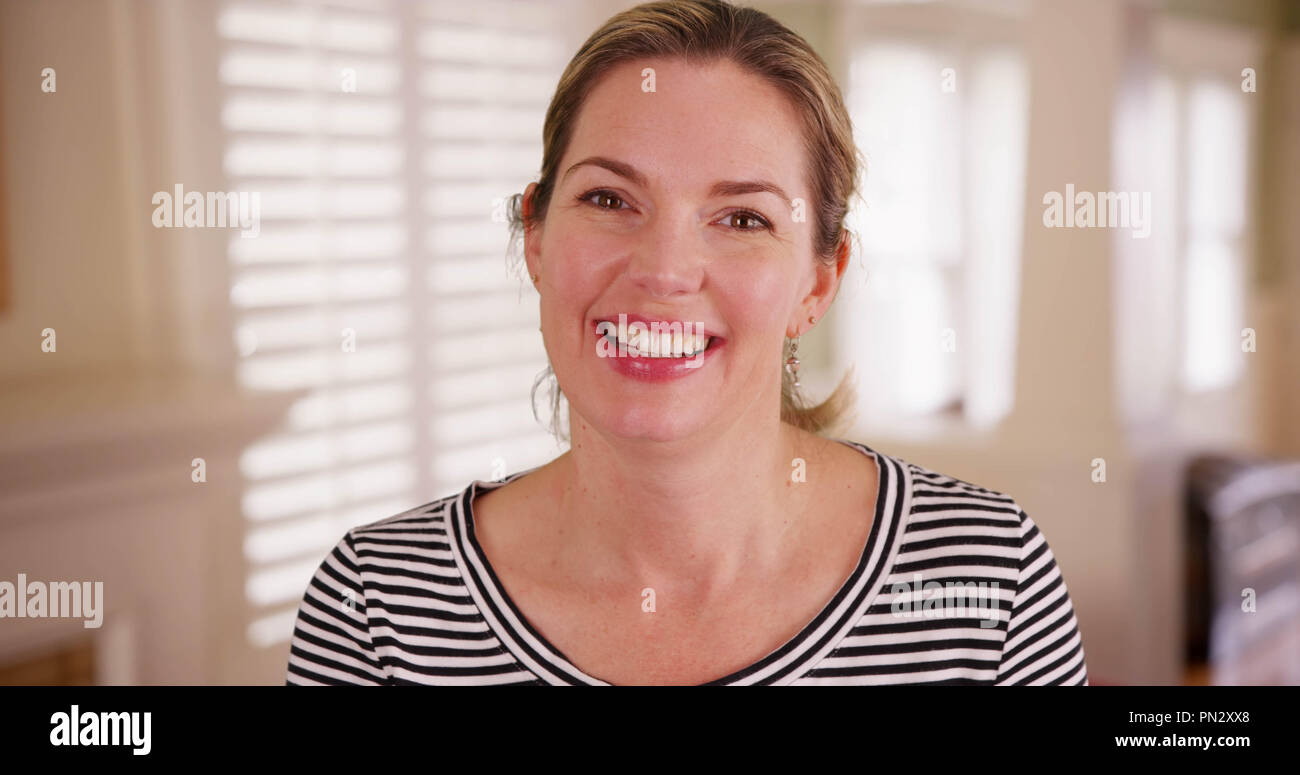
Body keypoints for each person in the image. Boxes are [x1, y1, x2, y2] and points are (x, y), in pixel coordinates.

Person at [286, 0, 1087, 686]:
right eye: (609, 197)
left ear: (818, 282)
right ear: (535, 236)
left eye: (743, 218)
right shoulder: (376, 607)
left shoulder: (990, 581)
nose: (664, 271)